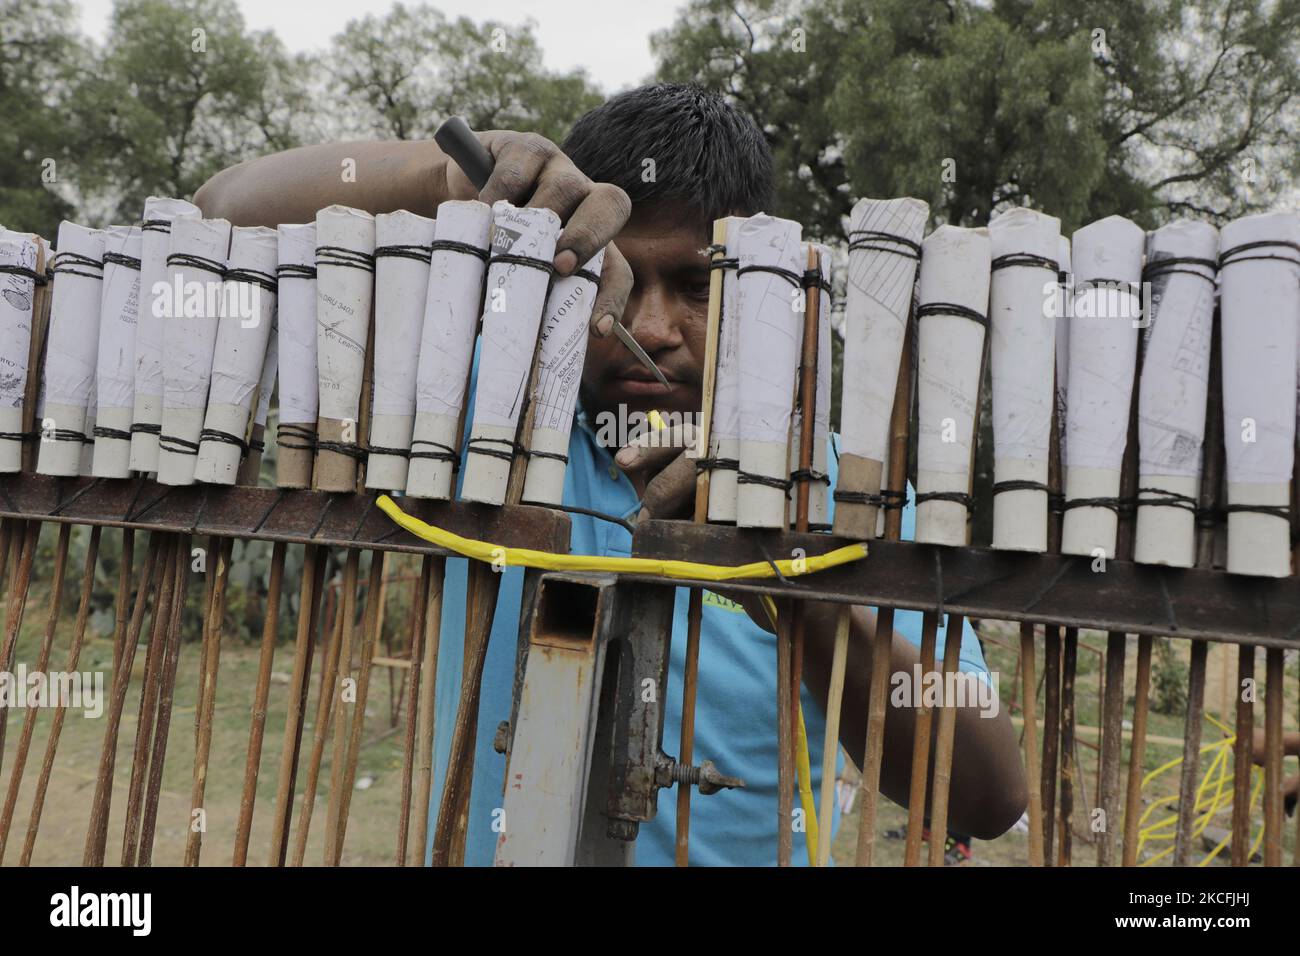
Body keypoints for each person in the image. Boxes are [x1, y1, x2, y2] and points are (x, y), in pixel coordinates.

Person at [197, 82, 1027, 865]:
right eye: (615, 279)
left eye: (697, 284)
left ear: (767, 286)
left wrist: (798, 596)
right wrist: (447, 174)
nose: (652, 327)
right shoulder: (486, 416)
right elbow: (223, 213)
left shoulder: (848, 489)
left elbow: (986, 803)